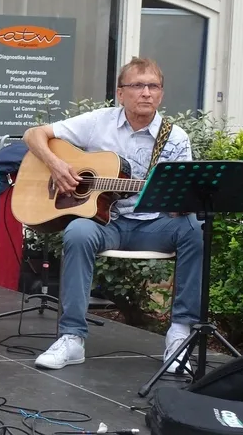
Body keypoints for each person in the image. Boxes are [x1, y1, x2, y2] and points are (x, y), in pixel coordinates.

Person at [23, 57, 202, 371]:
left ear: (161, 94)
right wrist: (57, 165)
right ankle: (72, 338)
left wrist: (182, 199)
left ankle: (180, 333)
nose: (146, 93)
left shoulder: (175, 139)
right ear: (121, 93)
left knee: (193, 230)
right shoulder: (97, 121)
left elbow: (181, 196)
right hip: (109, 222)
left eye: (153, 86)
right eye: (137, 85)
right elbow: (33, 135)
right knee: (78, 232)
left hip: (154, 225)